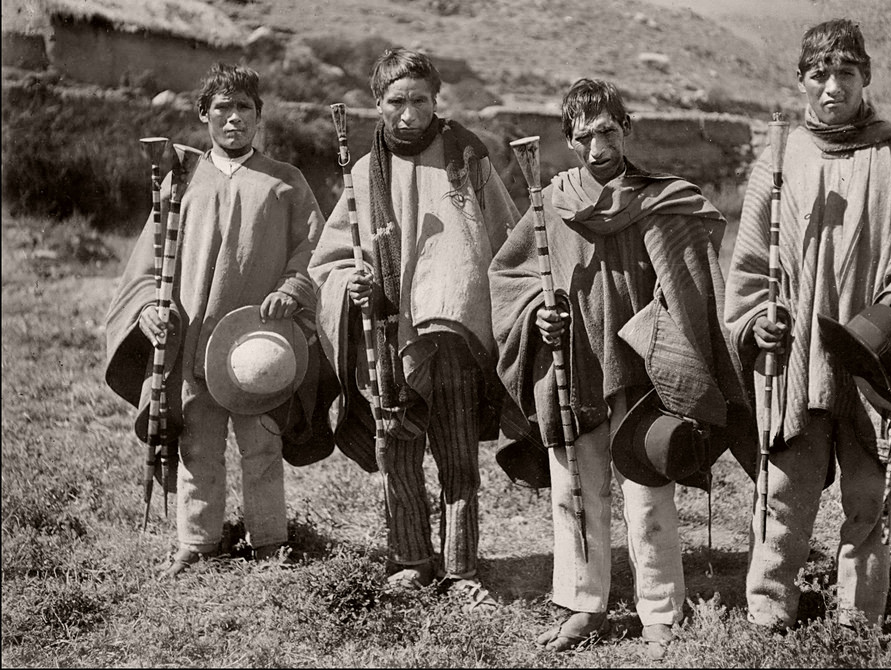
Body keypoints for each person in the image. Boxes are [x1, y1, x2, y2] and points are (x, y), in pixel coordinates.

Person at [489, 78, 749, 658]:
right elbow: (512, 281)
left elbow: (689, 285)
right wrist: (541, 317)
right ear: (569, 141)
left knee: (647, 489)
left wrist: (661, 331)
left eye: (608, 131)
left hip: (642, 370)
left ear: (626, 129)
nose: (598, 146)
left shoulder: (661, 198)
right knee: (575, 490)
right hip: (572, 366)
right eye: (584, 137)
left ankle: (660, 610)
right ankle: (584, 604)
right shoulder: (549, 204)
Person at [725, 18, 891, 630]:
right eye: (819, 75)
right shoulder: (777, 160)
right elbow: (751, 262)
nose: (832, 87)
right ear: (800, 81)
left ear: (866, 78)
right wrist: (759, 321)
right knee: (786, 486)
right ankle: (769, 607)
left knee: (870, 490)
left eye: (845, 73)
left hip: (873, 360)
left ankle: (857, 615)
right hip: (798, 357)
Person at [309, 48, 520, 611]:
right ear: (377, 104)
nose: (408, 114)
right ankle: (410, 561)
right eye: (396, 102)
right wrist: (349, 285)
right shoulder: (362, 173)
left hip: (454, 336)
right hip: (385, 337)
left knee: (455, 453)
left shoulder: (468, 159)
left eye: (419, 101)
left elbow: (505, 240)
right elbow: (327, 262)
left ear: (436, 100)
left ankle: (462, 567)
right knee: (396, 452)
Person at [104, 63, 325, 578]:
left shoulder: (285, 182)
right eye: (222, 108)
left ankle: (270, 541)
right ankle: (198, 542)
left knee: (261, 445)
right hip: (193, 344)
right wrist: (148, 311)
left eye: (243, 108)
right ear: (204, 114)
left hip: (258, 346)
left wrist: (293, 290)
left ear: (258, 117)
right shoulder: (181, 183)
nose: (233, 119)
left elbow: (312, 249)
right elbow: (148, 265)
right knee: (197, 445)